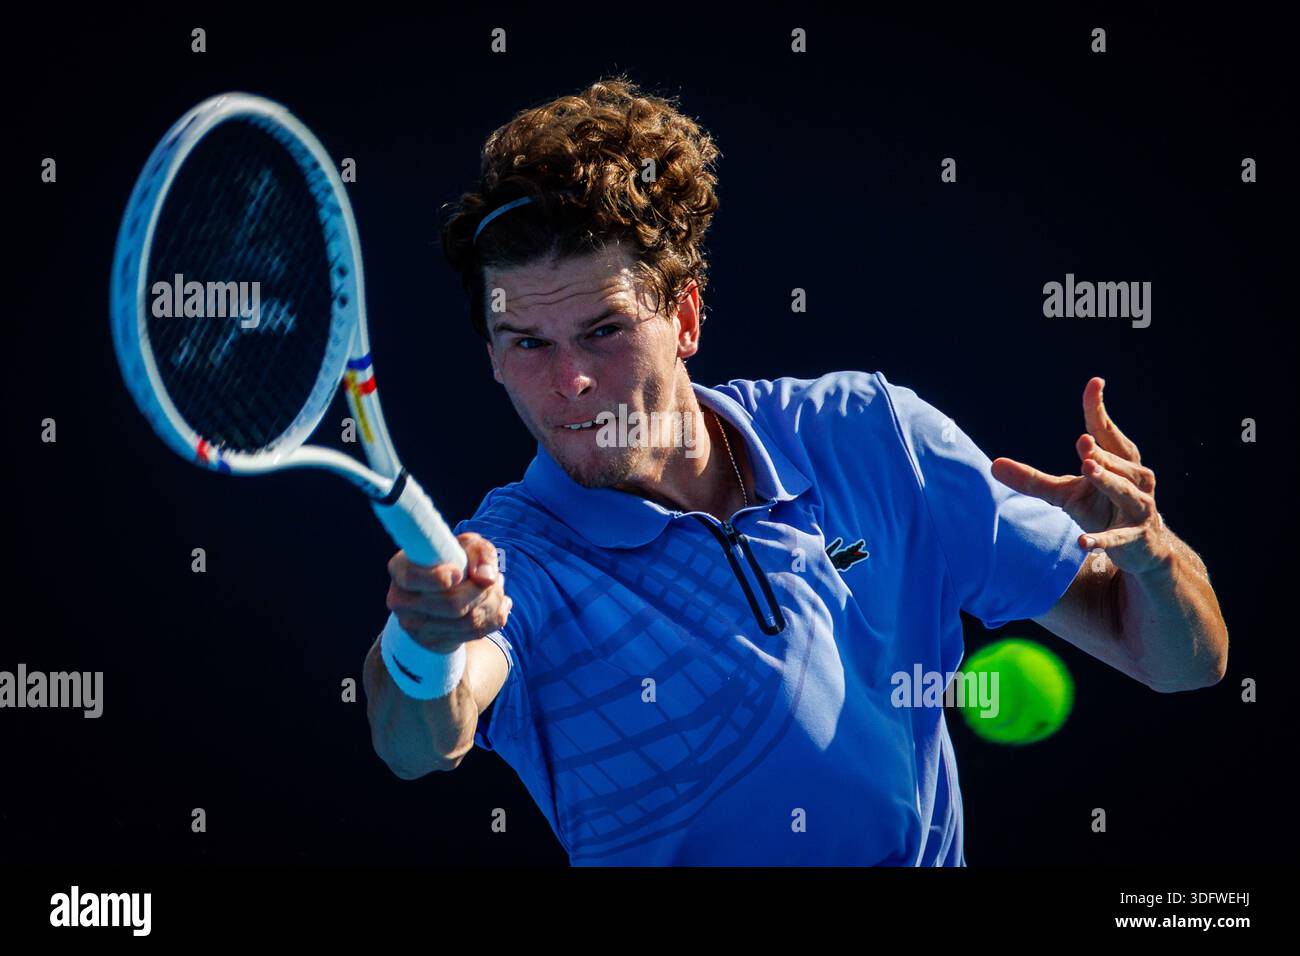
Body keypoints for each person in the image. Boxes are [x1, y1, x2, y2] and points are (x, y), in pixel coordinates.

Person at [361, 77, 1228, 866]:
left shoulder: (871, 434)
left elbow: (1185, 662)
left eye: (604, 330)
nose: (572, 381)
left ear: (687, 317)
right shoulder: (516, 559)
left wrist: (1152, 555)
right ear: (493, 356)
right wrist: (423, 642)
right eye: (529, 344)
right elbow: (415, 741)